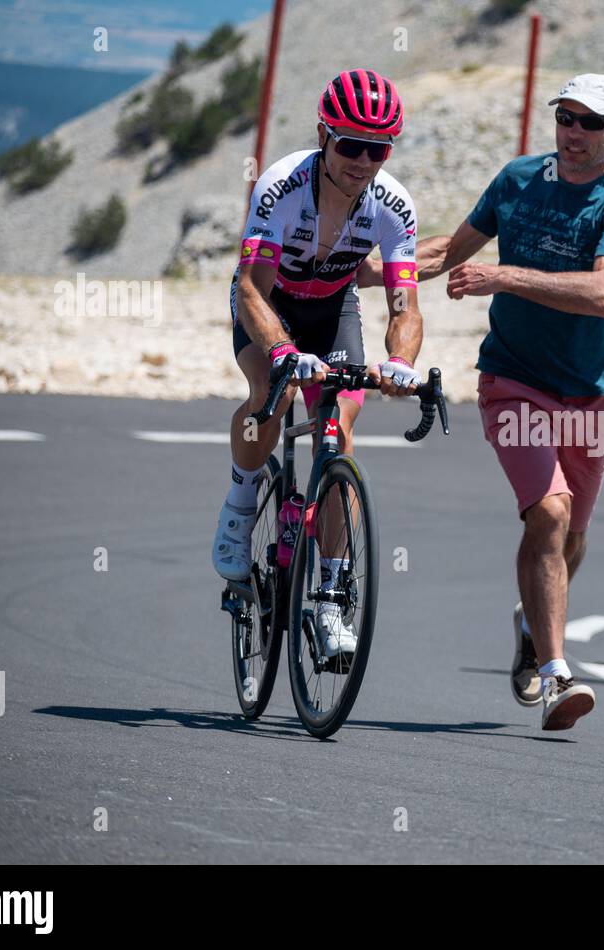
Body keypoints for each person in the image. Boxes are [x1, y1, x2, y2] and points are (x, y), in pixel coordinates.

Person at [409, 74, 604, 729]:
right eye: (565, 117)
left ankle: (529, 622)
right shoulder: (517, 179)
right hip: (512, 380)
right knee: (547, 513)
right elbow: (449, 252)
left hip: (592, 392)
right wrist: (362, 268)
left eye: (589, 123)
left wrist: (503, 277)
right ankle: (555, 674)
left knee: (571, 539)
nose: (573, 133)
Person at [211, 69, 425, 665]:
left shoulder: (393, 205)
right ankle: (243, 498)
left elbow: (405, 305)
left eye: (377, 148)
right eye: (351, 144)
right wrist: (281, 352)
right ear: (324, 136)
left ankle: (331, 595)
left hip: (334, 309)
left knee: (337, 433)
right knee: (268, 394)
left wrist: (401, 361)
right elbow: (252, 289)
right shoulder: (280, 186)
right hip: (269, 302)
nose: (363, 160)